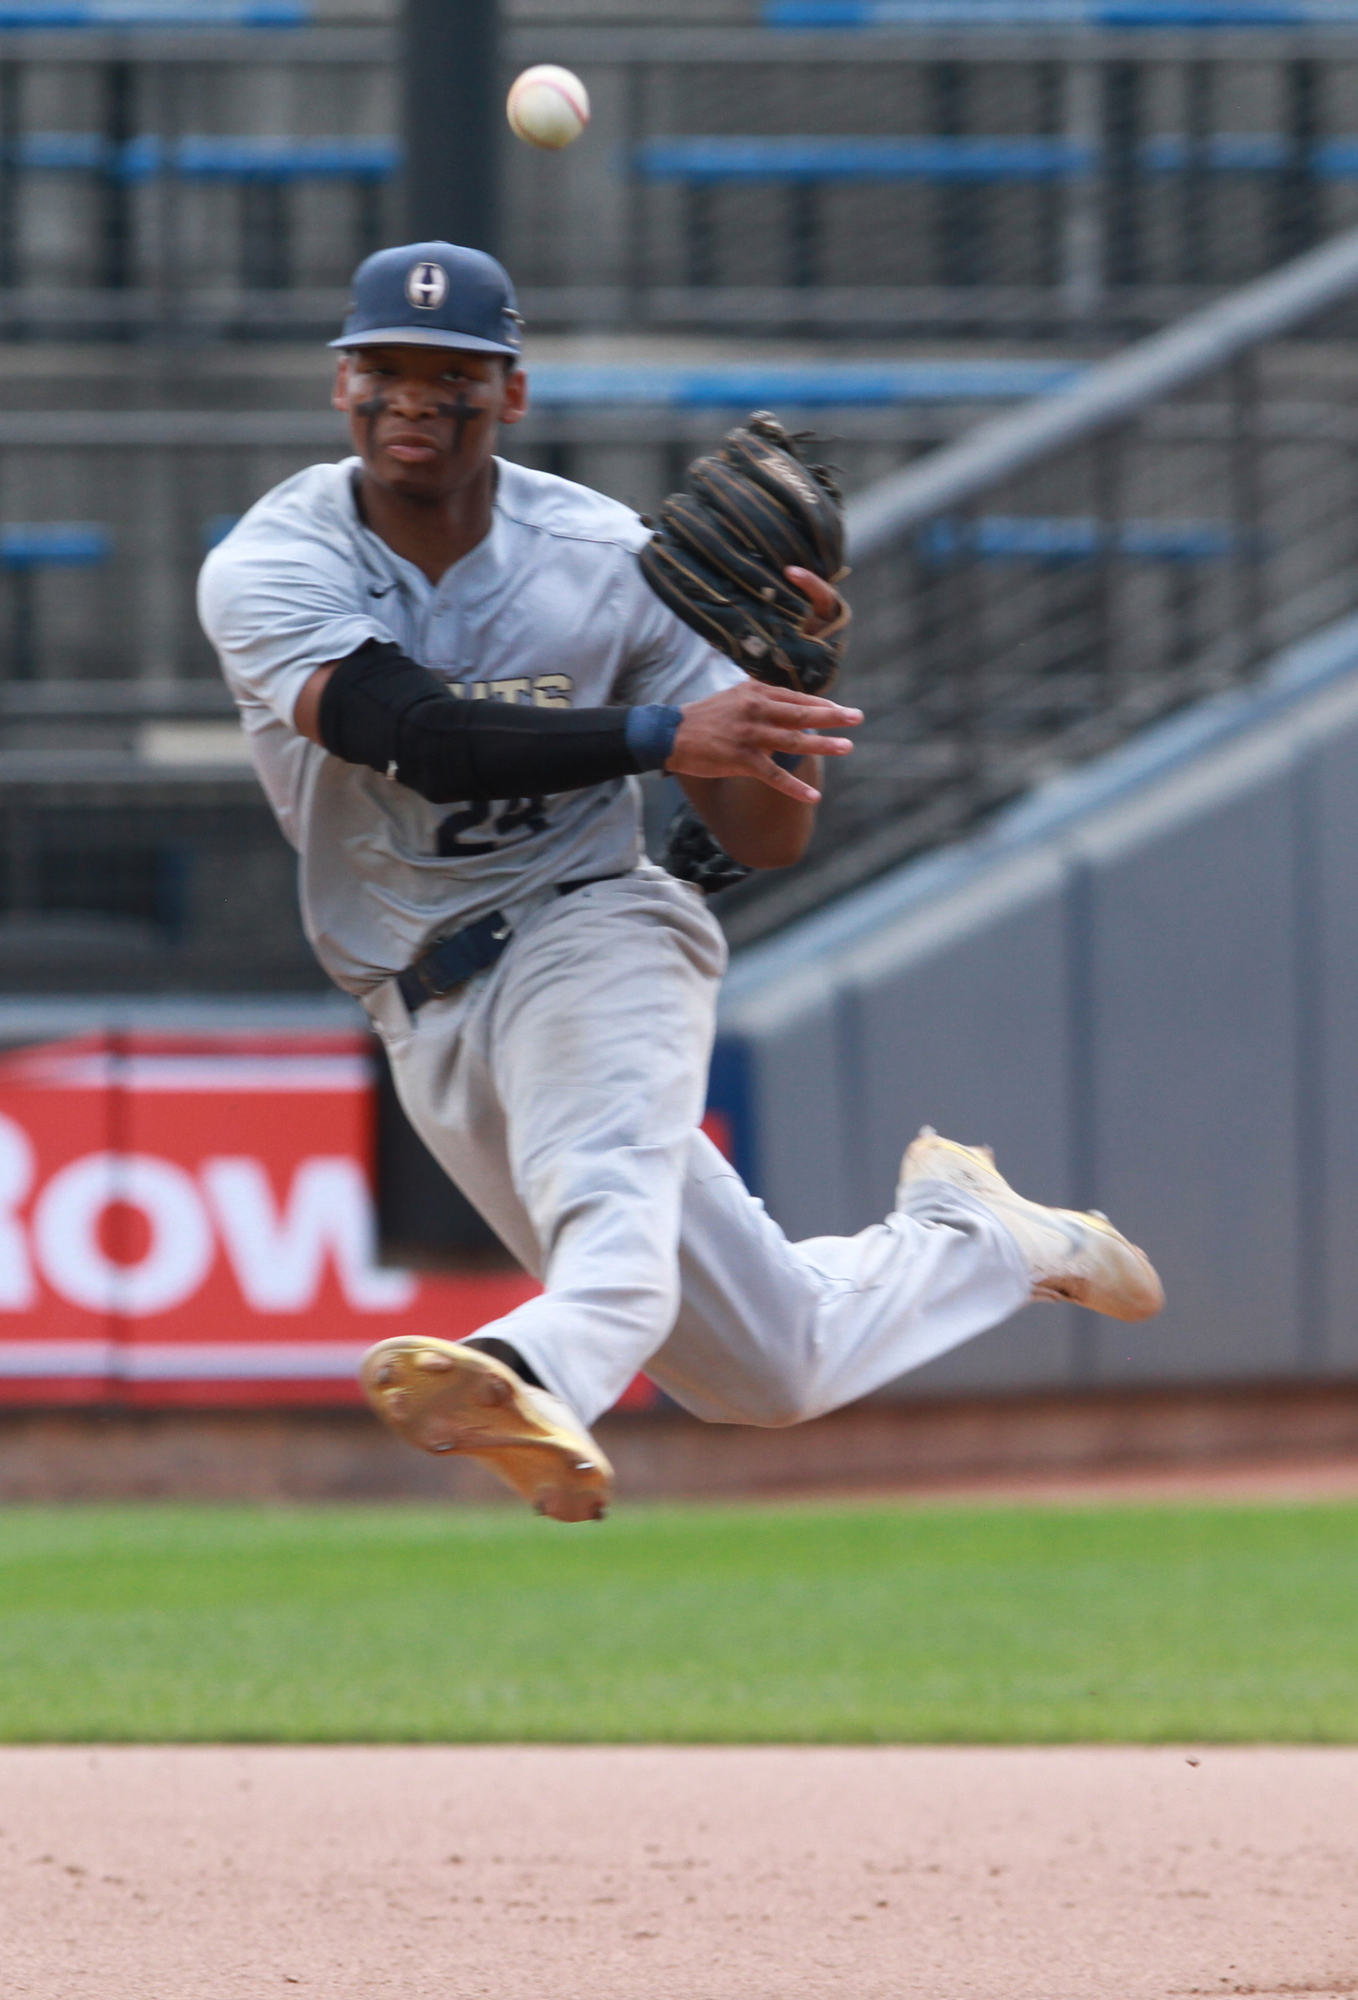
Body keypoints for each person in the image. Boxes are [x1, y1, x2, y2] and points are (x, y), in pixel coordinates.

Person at [199, 241, 1163, 1524]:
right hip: (415, 1000)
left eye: (454, 373)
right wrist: (661, 734)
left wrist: (785, 686)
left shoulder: (602, 557)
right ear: (340, 386)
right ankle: (975, 1238)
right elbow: (411, 731)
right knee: (769, 1367)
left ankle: (529, 1364)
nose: (414, 395)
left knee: (606, 1203)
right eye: (383, 367)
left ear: (513, 394)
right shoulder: (273, 562)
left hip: (591, 928)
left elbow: (762, 838)